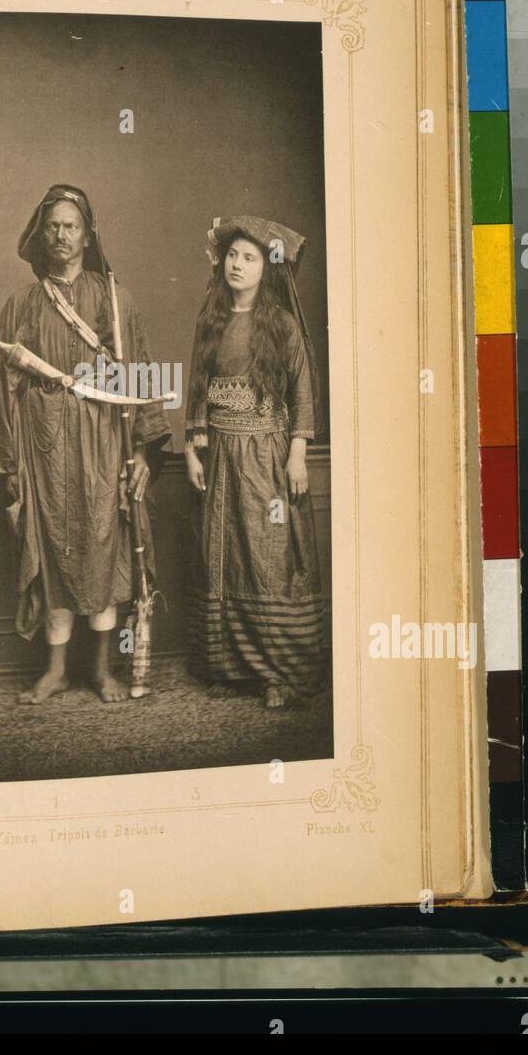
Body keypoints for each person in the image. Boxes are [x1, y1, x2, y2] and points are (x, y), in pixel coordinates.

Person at [0, 185, 170, 704]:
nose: (61, 235)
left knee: (104, 550)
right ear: (41, 234)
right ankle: (56, 670)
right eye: (52, 226)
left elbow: (142, 376)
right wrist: (11, 463)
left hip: (105, 444)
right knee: (52, 551)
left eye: (71, 226)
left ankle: (103, 670)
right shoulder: (21, 304)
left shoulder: (115, 301)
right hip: (44, 447)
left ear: (88, 235)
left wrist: (143, 453)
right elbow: (3, 390)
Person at [184, 216, 325, 709]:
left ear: (268, 268)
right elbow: (199, 386)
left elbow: (303, 391)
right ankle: (230, 666)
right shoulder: (212, 320)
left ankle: (278, 673)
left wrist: (298, 453)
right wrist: (192, 443)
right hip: (220, 456)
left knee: (267, 557)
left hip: (267, 455)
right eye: (232, 256)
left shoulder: (281, 325)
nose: (237, 265)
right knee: (222, 556)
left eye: (250, 258)